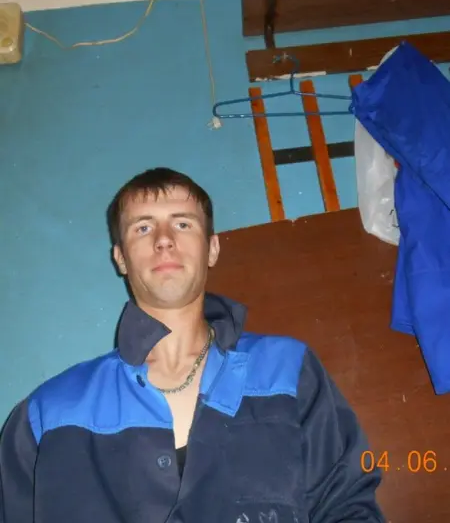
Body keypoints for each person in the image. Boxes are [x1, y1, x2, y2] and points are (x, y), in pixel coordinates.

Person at [0, 167, 385, 523]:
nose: (164, 240)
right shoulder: (47, 414)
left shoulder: (288, 370)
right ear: (120, 258)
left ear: (212, 248)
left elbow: (348, 506)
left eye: (182, 224)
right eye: (143, 228)